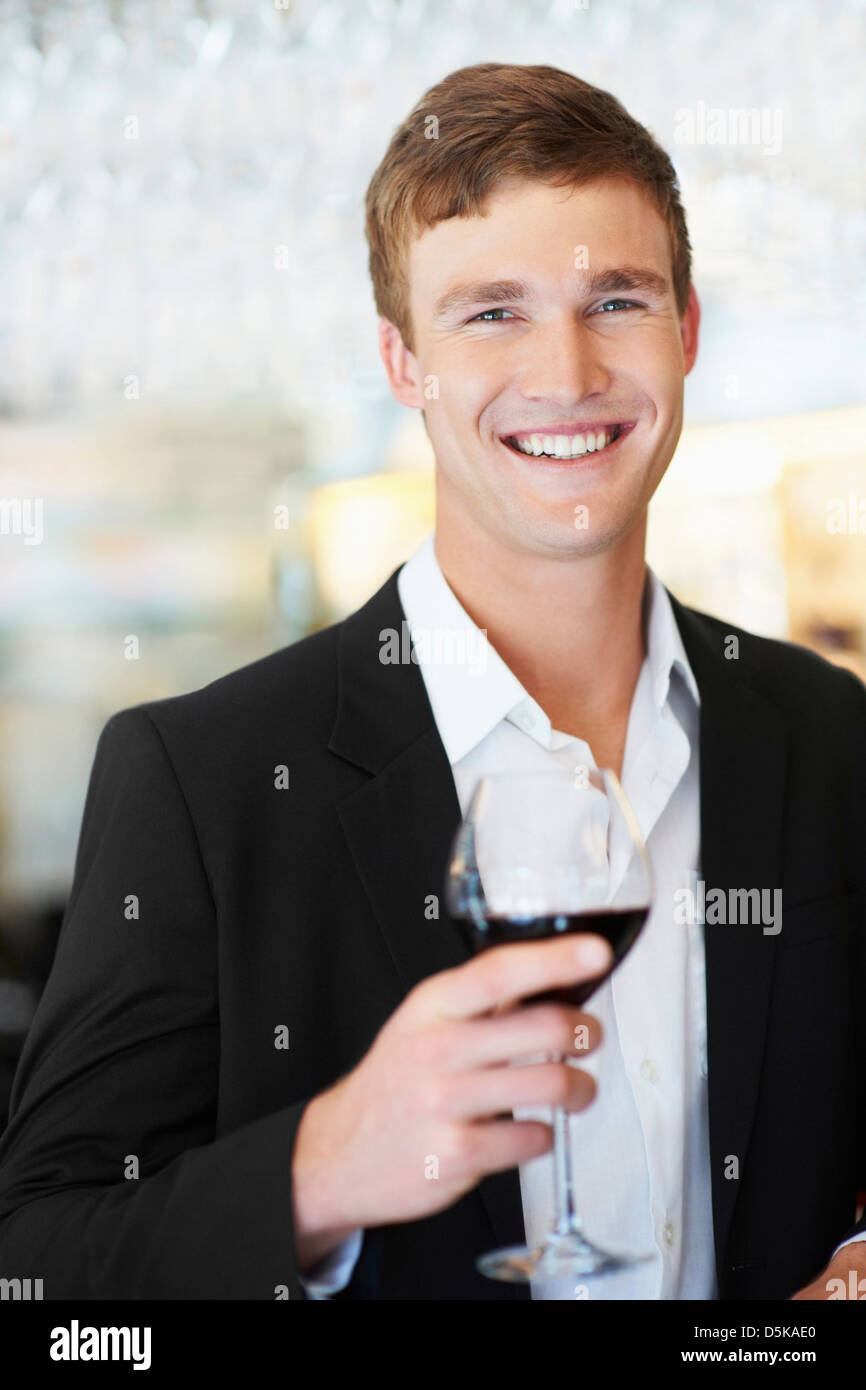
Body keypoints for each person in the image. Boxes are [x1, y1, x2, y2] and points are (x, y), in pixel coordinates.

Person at [0, 63, 863, 1302]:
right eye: (490, 312)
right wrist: (317, 1169)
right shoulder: (202, 778)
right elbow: (35, 1266)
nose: (564, 374)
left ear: (685, 332)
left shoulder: (824, 728)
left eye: (613, 299)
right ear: (404, 365)